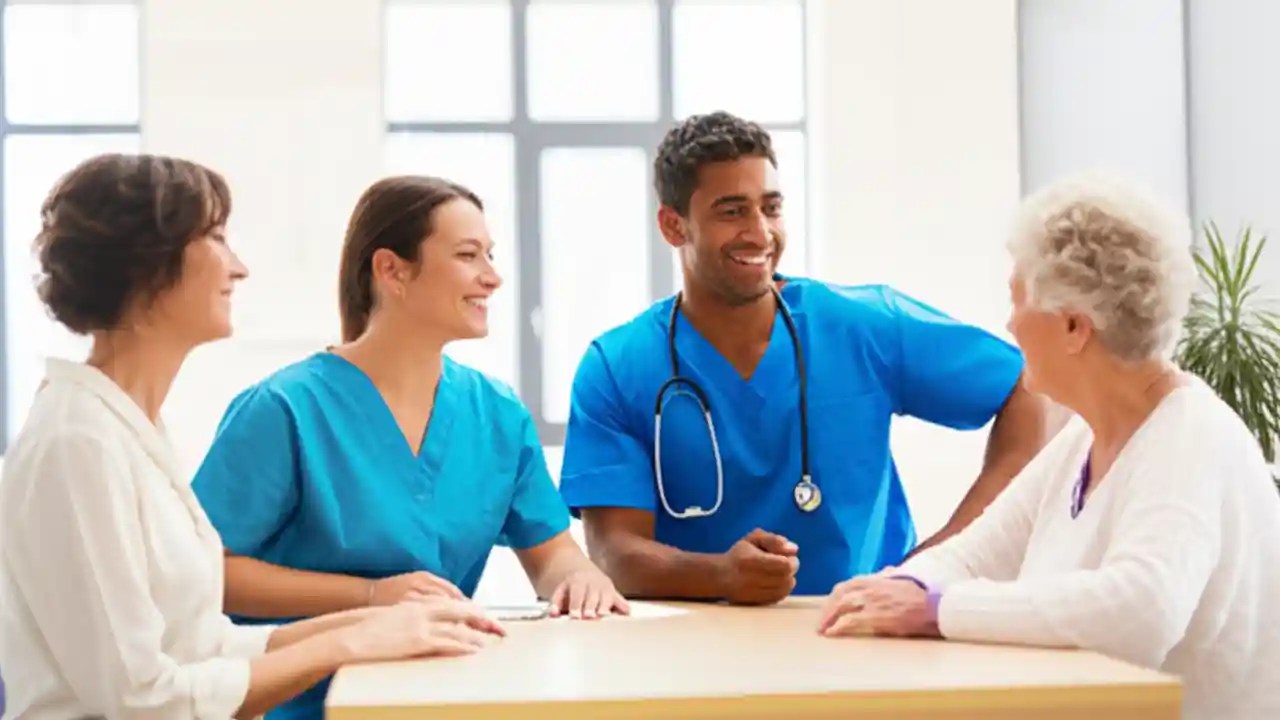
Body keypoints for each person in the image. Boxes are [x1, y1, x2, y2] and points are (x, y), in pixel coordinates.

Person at [0, 154, 505, 720]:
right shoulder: (77, 445)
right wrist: (347, 643)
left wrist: (377, 621)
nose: (237, 268)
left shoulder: (131, 430)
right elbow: (141, 700)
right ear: (148, 270)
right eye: (215, 238)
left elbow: (201, 647)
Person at [817, 175, 1280, 720]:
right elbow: (979, 552)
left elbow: (1143, 609)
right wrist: (891, 588)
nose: (1009, 322)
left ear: (1074, 327)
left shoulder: (1188, 438)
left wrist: (935, 610)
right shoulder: (1090, 434)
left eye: (1017, 297)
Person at [557, 110, 1048, 605]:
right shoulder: (616, 367)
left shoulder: (863, 325)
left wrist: (945, 562)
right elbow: (612, 551)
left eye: (770, 208)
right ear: (672, 225)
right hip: (697, 641)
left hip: (865, 629)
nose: (759, 233)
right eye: (732, 211)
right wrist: (720, 576)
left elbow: (1029, 386)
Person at [191, 175, 628, 720]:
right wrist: (371, 600)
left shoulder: (496, 413)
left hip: (449, 695)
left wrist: (578, 578)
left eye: (489, 255)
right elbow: (211, 576)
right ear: (391, 270)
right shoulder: (284, 410)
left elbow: (551, 554)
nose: (492, 278)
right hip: (313, 704)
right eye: (468, 256)